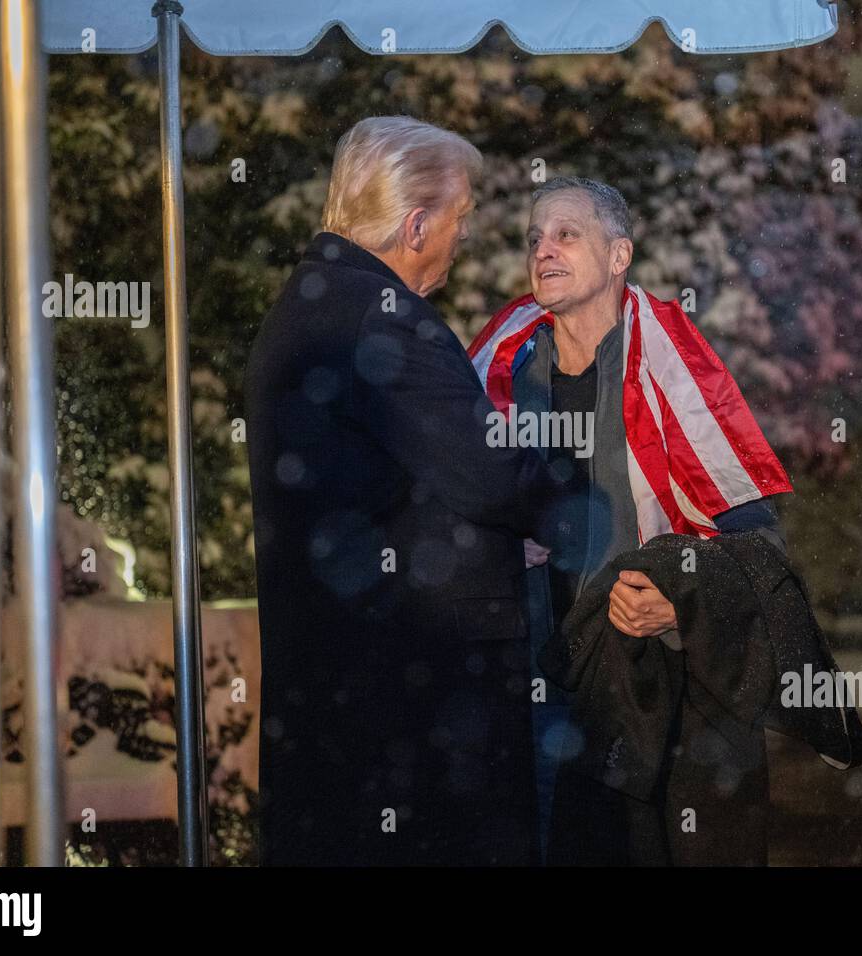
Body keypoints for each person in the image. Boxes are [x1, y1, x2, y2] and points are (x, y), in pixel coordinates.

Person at [469, 178, 862, 865]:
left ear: (619, 255)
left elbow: (757, 545)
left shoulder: (675, 366)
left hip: (672, 696)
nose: (544, 250)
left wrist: (680, 600)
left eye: (567, 234)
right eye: (534, 237)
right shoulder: (504, 375)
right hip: (546, 695)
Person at [245, 117, 560, 865]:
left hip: (344, 684)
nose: (464, 236)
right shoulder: (382, 320)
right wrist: (573, 484)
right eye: (461, 216)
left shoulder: (309, 303)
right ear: (416, 223)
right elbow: (490, 473)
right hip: (412, 699)